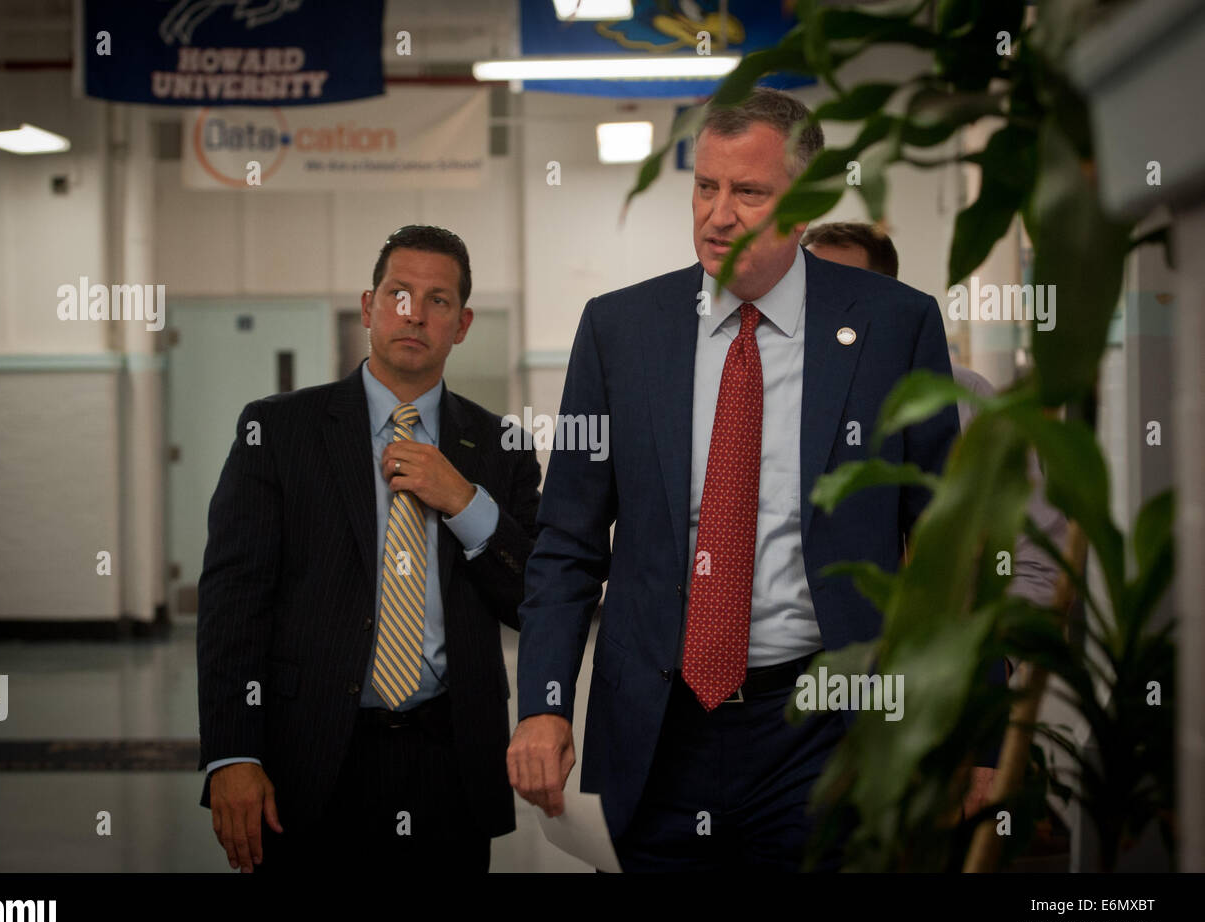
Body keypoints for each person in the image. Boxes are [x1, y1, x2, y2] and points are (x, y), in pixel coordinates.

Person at [507, 89, 963, 871]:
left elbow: (948, 538)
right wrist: (544, 702)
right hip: (659, 729)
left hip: (823, 727)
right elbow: (568, 540)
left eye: (749, 192)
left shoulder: (893, 325)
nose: (719, 214)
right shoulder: (620, 330)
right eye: (706, 186)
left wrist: (974, 729)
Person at [197, 225, 542, 873]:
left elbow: (533, 598)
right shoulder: (277, 431)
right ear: (367, 307)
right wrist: (232, 752)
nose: (415, 313)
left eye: (438, 300)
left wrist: (464, 501)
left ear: (462, 323)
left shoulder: (502, 448)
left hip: (450, 758)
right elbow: (231, 603)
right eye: (399, 292)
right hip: (310, 751)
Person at [804, 221, 1068, 618]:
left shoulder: (967, 400)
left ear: (886, 303)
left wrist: (994, 660)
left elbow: (1035, 560)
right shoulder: (766, 402)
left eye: (842, 297)